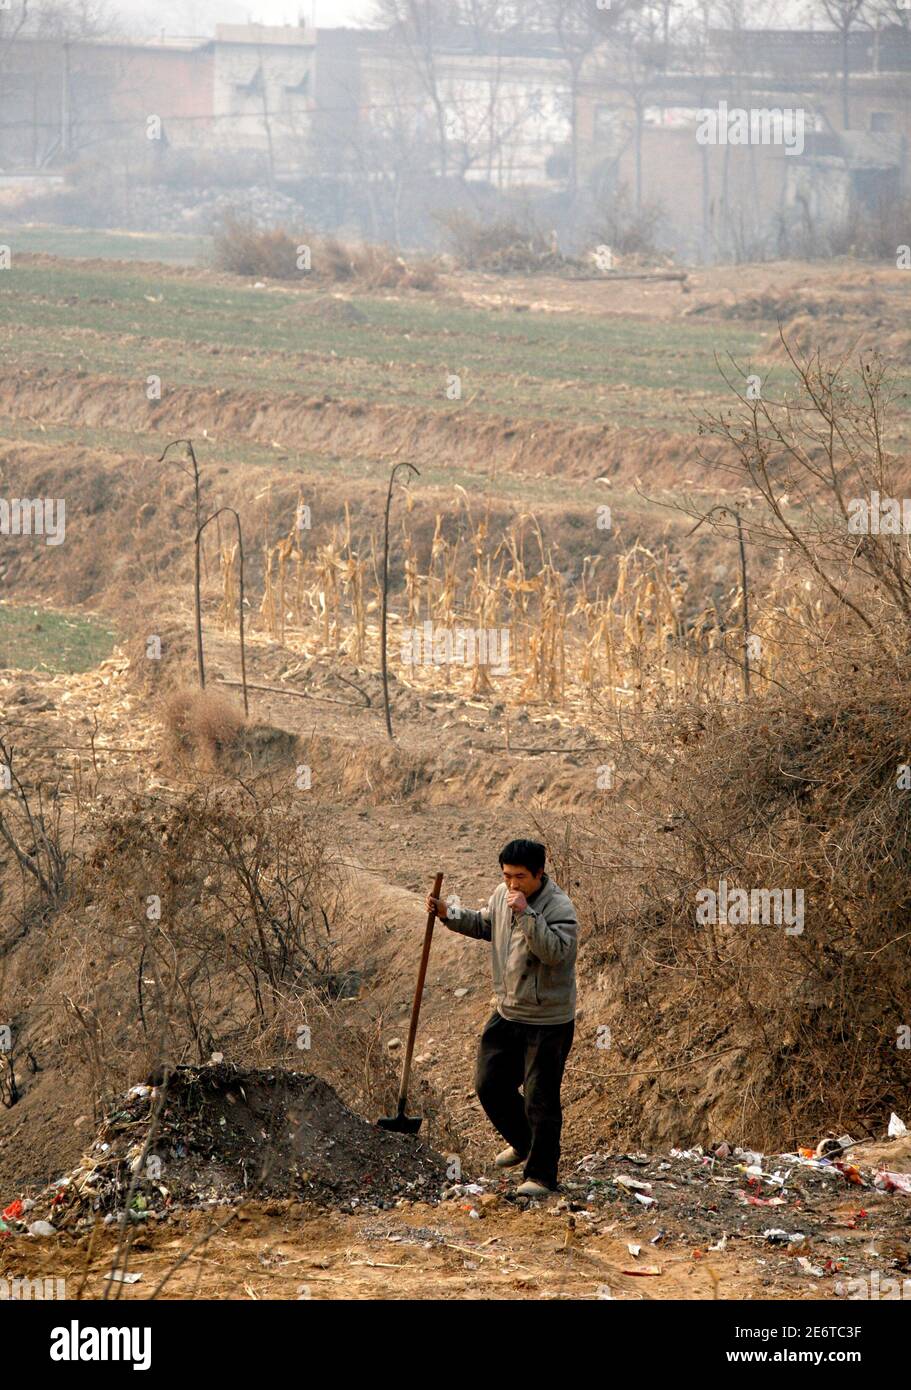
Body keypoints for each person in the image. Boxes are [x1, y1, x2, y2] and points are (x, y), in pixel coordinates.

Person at [426, 838, 578, 1196]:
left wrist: (527, 913)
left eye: (520, 876)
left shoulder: (559, 908)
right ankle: (524, 1142)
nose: (512, 884)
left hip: (548, 1020)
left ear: (539, 873)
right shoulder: (501, 896)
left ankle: (541, 1176)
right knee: (489, 1083)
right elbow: (484, 924)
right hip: (508, 1012)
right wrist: (449, 913)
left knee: (540, 1097)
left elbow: (555, 953)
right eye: (507, 876)